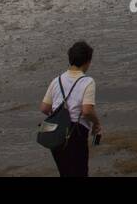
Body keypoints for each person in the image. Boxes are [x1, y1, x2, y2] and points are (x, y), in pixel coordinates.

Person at [39, 40, 101, 177]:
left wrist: (60, 115)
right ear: (87, 61)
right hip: (76, 133)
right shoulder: (88, 82)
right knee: (80, 171)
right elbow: (87, 111)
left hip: (56, 133)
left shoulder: (57, 80)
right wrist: (97, 123)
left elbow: (44, 108)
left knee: (65, 172)